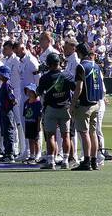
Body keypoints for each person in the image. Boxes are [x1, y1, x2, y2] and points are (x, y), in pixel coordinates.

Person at [71, 42, 104, 171]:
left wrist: (73, 104)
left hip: (84, 104)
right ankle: (94, 160)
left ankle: (86, 161)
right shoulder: (95, 65)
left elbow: (78, 88)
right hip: (96, 103)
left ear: (79, 53)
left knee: (84, 133)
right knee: (93, 133)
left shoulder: (81, 66)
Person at [38, 52, 73, 170]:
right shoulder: (67, 75)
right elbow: (75, 88)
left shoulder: (45, 77)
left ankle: (51, 161)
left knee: (50, 135)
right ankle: (65, 161)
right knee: (66, 135)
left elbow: (39, 91)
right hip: (65, 107)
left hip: (51, 108)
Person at [0, 66, 18, 162]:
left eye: (0, 73)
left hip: (7, 111)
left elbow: (12, 98)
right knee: (5, 131)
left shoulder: (7, 85)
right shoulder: (3, 84)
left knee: (9, 131)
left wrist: (9, 105)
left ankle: (10, 154)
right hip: (3, 110)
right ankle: (6, 152)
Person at [21, 83, 42, 163]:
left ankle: (37, 155)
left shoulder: (37, 103)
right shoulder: (26, 102)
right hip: (28, 123)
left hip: (35, 123)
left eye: (31, 91)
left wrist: (38, 125)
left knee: (36, 140)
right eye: (27, 91)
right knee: (30, 139)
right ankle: (32, 155)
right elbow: (25, 114)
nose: (29, 93)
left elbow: (39, 116)